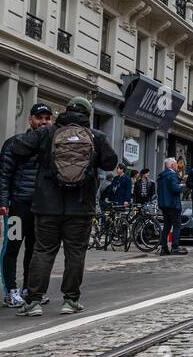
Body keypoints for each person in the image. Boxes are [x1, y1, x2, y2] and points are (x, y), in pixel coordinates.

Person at [9, 96, 117, 315]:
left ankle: (33, 301)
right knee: (75, 253)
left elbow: (18, 148)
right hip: (80, 207)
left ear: (65, 112)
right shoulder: (96, 136)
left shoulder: (47, 133)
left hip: (47, 205)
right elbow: (111, 162)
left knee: (43, 251)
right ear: (88, 115)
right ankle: (70, 300)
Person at [0, 103, 54, 308]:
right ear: (30, 120)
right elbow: (3, 175)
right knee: (12, 247)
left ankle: (29, 288)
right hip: (17, 206)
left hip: (40, 209)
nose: (44, 122)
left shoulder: (51, 146)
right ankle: (10, 290)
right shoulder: (14, 143)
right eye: (40, 118)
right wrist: (3, 202)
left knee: (35, 249)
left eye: (47, 118)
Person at [157, 158, 185, 254]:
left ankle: (164, 248)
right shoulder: (172, 175)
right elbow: (175, 189)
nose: (177, 165)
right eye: (176, 164)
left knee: (167, 226)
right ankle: (175, 247)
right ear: (172, 165)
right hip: (173, 204)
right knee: (177, 226)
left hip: (164, 205)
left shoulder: (162, 176)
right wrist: (182, 186)